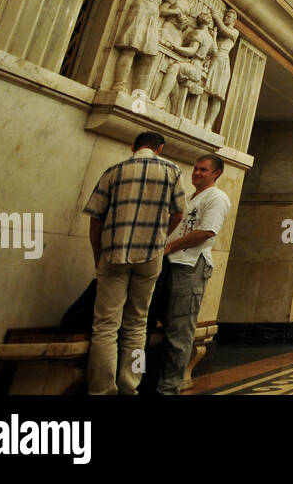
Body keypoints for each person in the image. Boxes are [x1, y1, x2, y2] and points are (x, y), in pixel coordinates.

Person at [82, 131, 185, 395]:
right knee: (137, 323)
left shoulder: (114, 171)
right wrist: (160, 238)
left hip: (114, 253)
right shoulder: (172, 171)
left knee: (105, 325)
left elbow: (95, 219)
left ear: (132, 146)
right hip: (150, 256)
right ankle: (130, 386)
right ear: (159, 148)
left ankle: (102, 389)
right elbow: (178, 213)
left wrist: (98, 254)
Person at [155, 153, 230, 395]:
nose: (197, 173)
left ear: (216, 173)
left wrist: (170, 247)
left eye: (203, 170)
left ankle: (169, 387)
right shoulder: (191, 197)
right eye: (196, 169)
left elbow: (207, 231)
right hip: (172, 263)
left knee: (180, 328)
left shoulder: (216, 198)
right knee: (166, 326)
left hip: (190, 266)